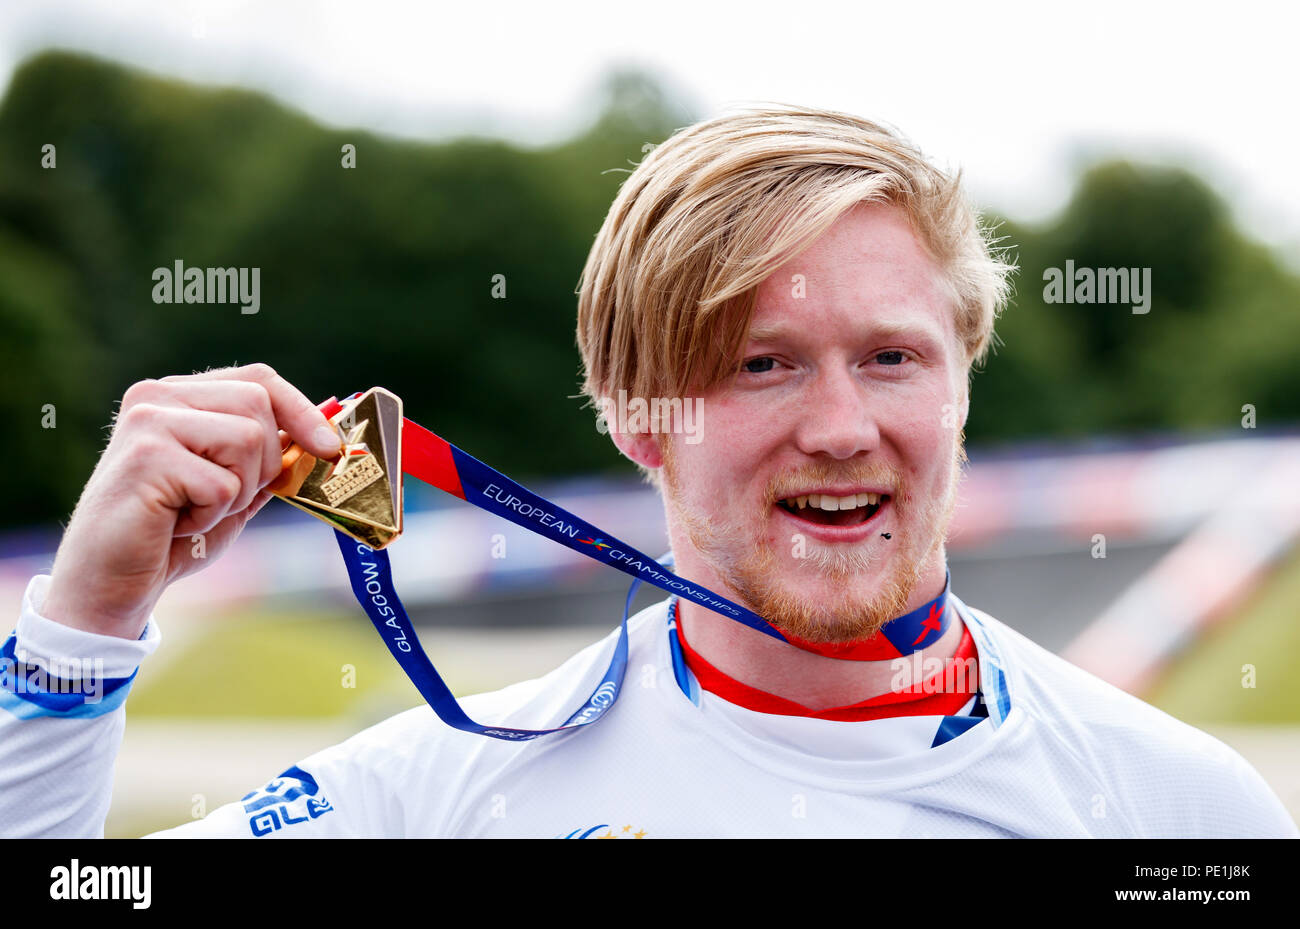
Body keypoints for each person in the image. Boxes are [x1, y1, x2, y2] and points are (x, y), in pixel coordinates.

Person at [2, 106, 1295, 839]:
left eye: (892, 356)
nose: (841, 425)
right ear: (635, 415)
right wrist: (82, 624)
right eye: (760, 365)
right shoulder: (437, 797)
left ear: (965, 384)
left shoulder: (1176, 812)